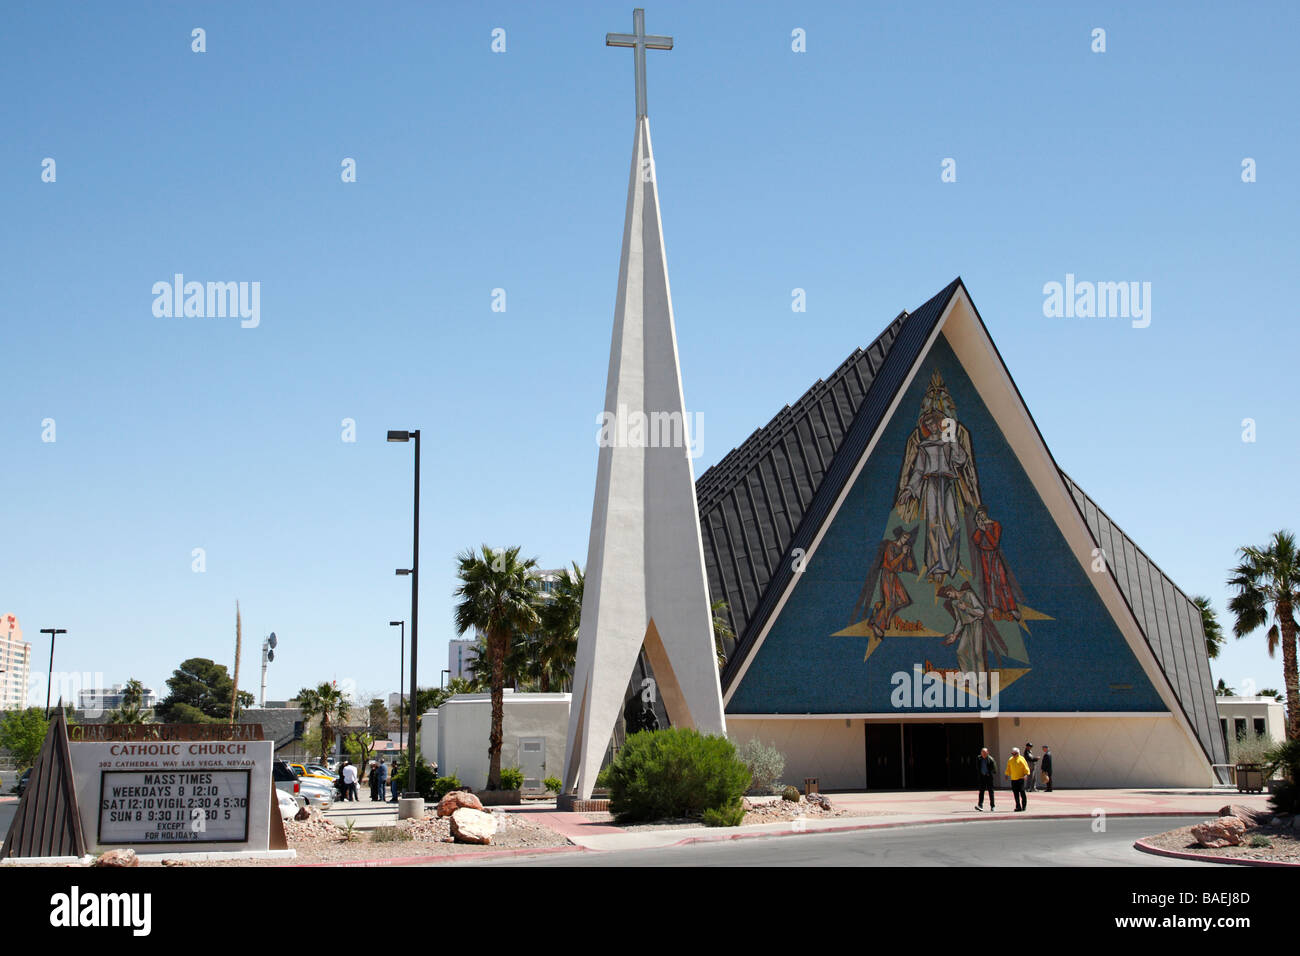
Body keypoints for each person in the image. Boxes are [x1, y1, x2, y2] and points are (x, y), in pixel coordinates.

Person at [1005, 747, 1030, 812]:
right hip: (1013, 779)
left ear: (1018, 753)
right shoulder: (1010, 759)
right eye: (1012, 753)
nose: (1013, 755)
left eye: (1015, 754)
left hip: (1020, 778)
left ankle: (1024, 806)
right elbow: (1008, 768)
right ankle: (1018, 806)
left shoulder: (1022, 759)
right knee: (1015, 793)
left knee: (1022, 792)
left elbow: (1026, 768)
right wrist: (1007, 774)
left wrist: (1026, 774)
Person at [975, 747, 997, 811]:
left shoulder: (991, 759)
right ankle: (980, 805)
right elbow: (978, 767)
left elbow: (994, 769)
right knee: (981, 791)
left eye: (984, 752)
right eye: (982, 752)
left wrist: (989, 773)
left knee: (991, 792)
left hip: (989, 777)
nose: (983, 754)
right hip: (982, 777)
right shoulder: (979, 758)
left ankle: (992, 806)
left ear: (987, 753)